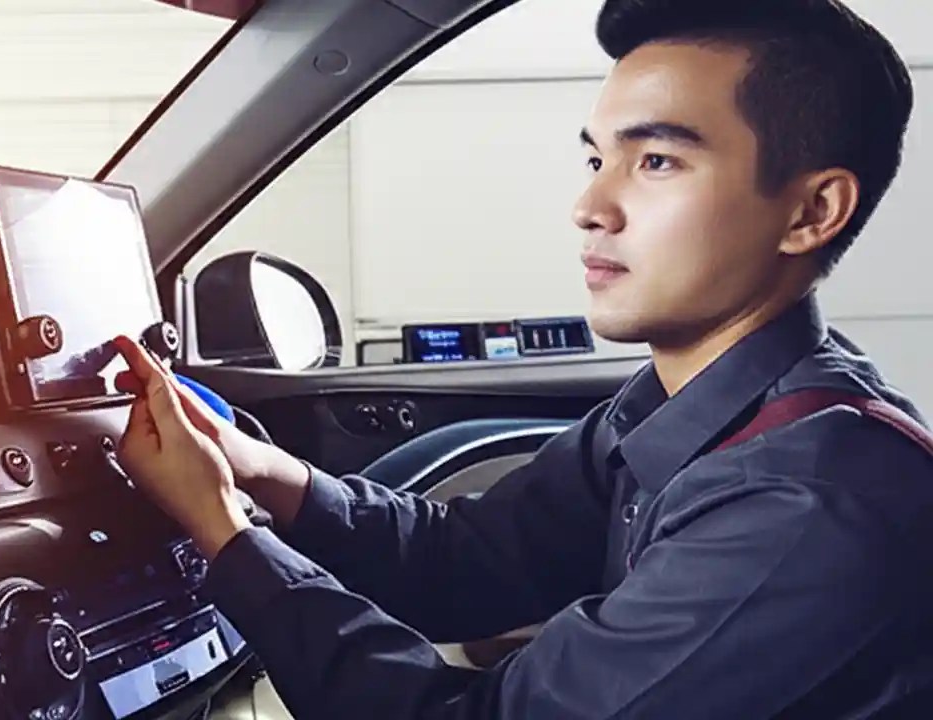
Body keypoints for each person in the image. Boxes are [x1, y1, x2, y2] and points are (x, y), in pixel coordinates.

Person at [111, 0, 933, 717]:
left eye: (657, 161)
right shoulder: (678, 406)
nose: (590, 206)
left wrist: (221, 532)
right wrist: (261, 476)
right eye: (596, 158)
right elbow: (465, 561)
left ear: (811, 212)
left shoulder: (810, 505)